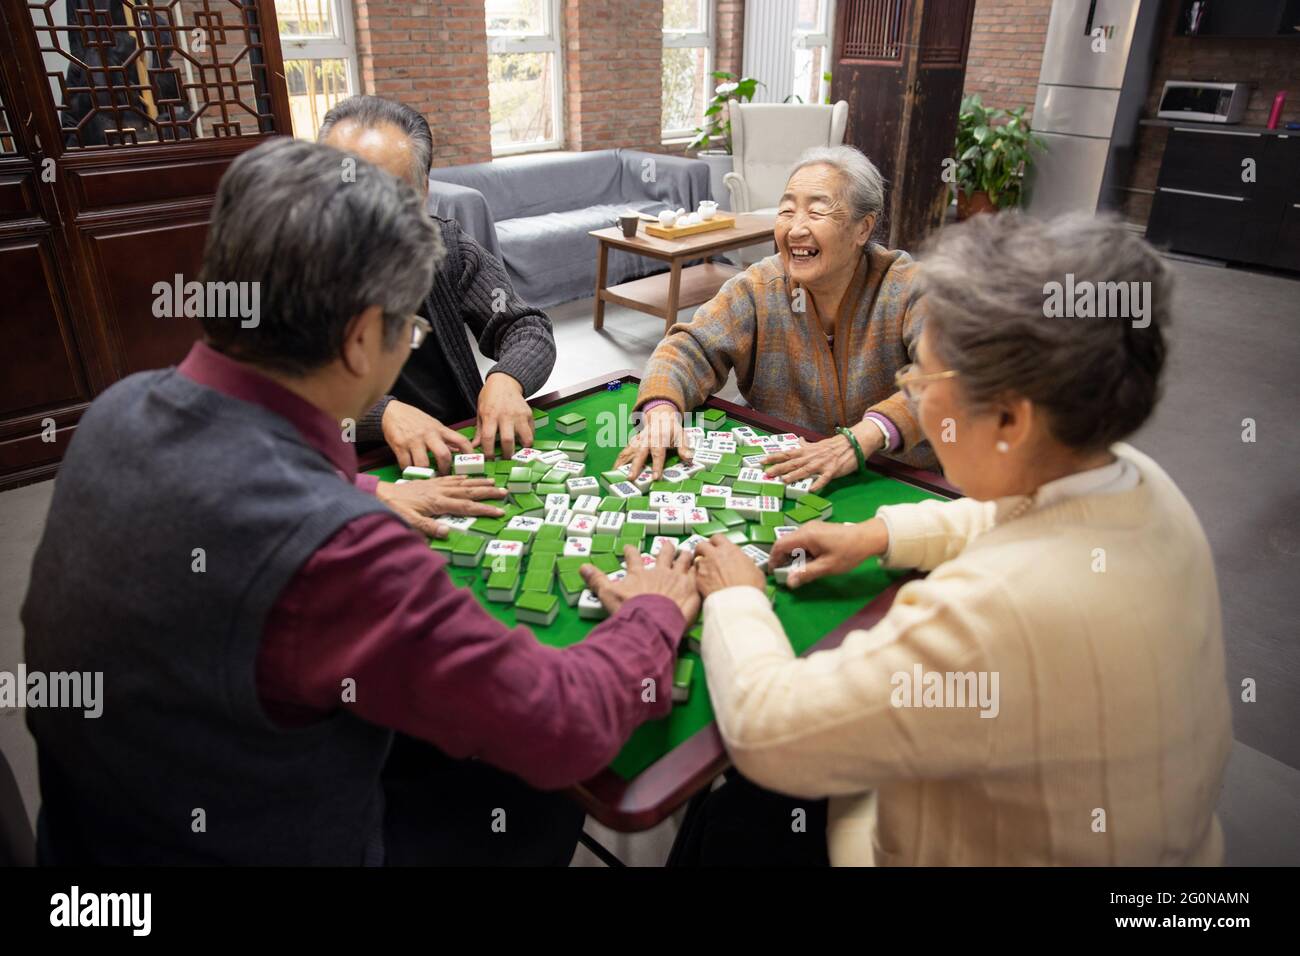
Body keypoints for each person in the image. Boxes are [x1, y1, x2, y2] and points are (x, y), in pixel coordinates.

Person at [22, 138, 699, 866]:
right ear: (355, 343)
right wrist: (653, 614)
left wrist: (366, 487)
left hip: (92, 860)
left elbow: (221, 504)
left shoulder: (114, 413)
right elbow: (564, 725)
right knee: (531, 795)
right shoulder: (334, 552)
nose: (409, 345)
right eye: (407, 330)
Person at [673, 213, 1232, 866]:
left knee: (738, 815)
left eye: (920, 382)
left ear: (1009, 418)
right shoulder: (1141, 481)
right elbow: (1002, 519)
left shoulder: (994, 612)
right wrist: (877, 533)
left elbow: (769, 732)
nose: (912, 396)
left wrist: (737, 598)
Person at [619, 144, 930, 483]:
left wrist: (864, 437)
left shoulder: (910, 286)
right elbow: (687, 348)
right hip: (783, 471)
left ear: (863, 229)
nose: (795, 229)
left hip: (894, 477)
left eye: (816, 213)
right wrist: (662, 408)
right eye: (786, 211)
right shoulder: (758, 286)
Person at [318, 95, 556, 468]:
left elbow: (526, 327)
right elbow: (272, 383)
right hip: (345, 464)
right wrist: (382, 414)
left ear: (422, 192)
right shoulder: (286, 259)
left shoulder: (445, 247)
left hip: (459, 443)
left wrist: (507, 379)